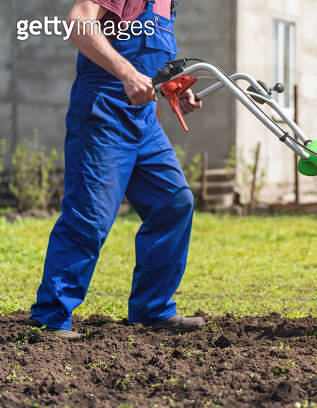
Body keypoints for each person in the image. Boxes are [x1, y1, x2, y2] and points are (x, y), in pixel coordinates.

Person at [29, 0, 203, 339]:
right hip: (103, 114)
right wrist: (125, 73)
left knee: (173, 203)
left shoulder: (169, 4)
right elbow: (79, 23)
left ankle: (152, 310)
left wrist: (174, 88)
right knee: (90, 216)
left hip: (144, 122)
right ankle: (50, 319)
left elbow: (150, 60)